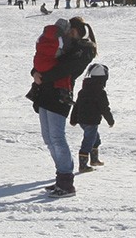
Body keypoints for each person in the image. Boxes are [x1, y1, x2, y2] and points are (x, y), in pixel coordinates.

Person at [30, 16, 97, 198]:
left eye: (68, 31)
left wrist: (40, 76)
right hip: (45, 93)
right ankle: (61, 176)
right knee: (48, 138)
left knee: (57, 137)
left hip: (60, 96)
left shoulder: (83, 49)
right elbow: (44, 58)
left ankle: (67, 182)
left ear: (74, 31)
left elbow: (64, 69)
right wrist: (35, 72)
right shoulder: (64, 44)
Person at [70, 63, 114, 173]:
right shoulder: (100, 92)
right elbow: (105, 108)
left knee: (95, 139)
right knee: (88, 141)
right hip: (91, 121)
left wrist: (73, 119)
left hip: (83, 120)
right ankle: (83, 166)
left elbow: (77, 105)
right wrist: (110, 120)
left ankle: (94, 160)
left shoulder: (83, 91)